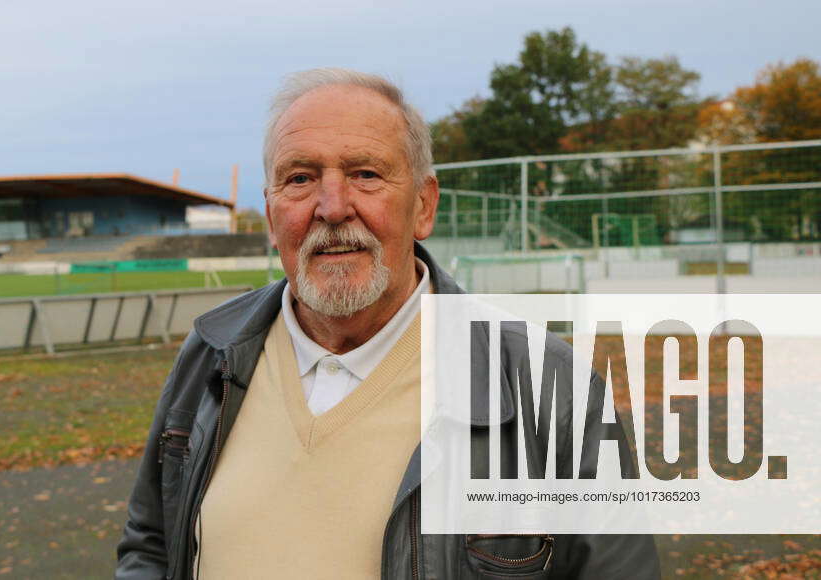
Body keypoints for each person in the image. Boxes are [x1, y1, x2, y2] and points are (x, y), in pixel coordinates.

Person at [116, 68, 660, 579]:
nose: (332, 207)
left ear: (423, 206)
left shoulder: (549, 386)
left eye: (366, 174)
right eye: (300, 178)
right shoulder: (212, 351)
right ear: (271, 212)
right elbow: (152, 542)